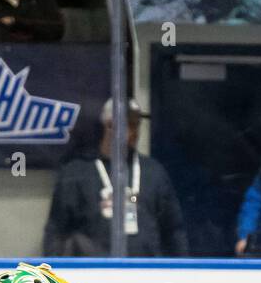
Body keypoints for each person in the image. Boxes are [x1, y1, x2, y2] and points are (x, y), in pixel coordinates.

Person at [42, 98, 188, 257]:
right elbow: (55, 232)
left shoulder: (153, 172)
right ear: (110, 126)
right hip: (92, 276)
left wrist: (180, 272)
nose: (135, 132)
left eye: (137, 124)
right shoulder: (77, 173)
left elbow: (174, 230)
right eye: (129, 125)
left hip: (146, 274)